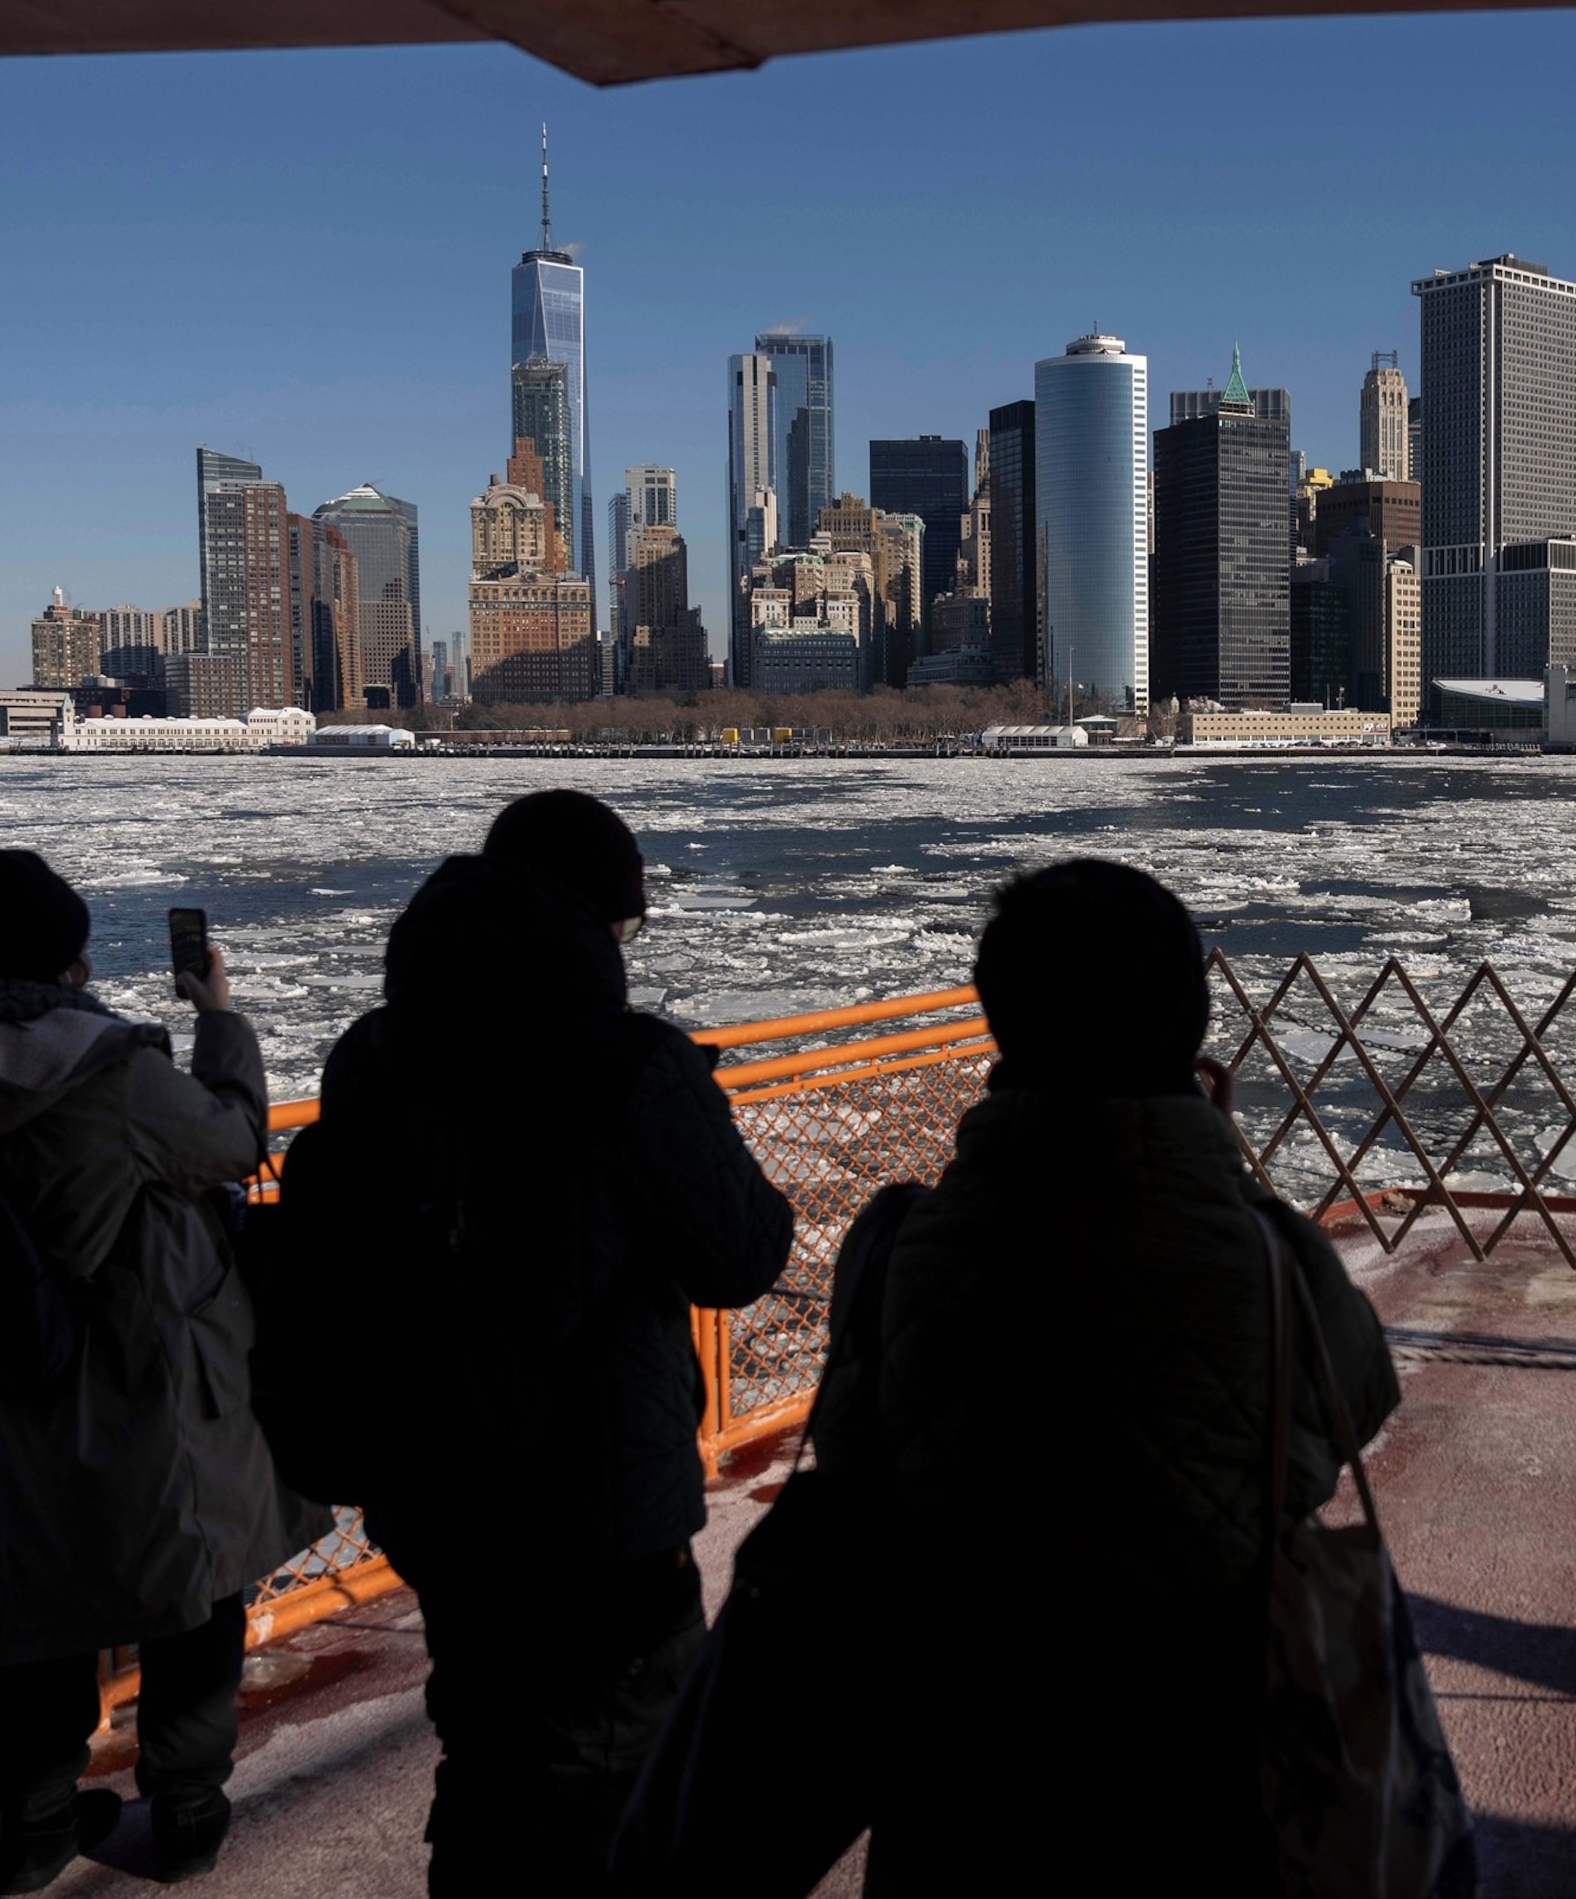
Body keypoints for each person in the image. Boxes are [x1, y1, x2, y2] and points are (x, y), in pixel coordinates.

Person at [820, 858, 1402, 1894]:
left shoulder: (898, 1242)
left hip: (963, 1787)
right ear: (1189, 1021)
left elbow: (856, 1448)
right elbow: (1358, 1402)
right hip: (1206, 1778)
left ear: (1003, 1017)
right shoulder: (1274, 1254)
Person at [298, 790, 793, 1898]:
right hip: (600, 1511)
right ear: (597, 919)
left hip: (434, 1476)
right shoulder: (622, 1065)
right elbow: (743, 1252)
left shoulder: (375, 1054)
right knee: (614, 1774)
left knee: (489, 1740)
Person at [0, 846, 315, 1893]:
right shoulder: (112, 1070)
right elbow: (233, 1141)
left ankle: (39, 1822)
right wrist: (219, 1017)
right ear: (74, 955)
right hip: (142, 1384)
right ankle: (186, 1810)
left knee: (29, 1614)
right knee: (189, 1590)